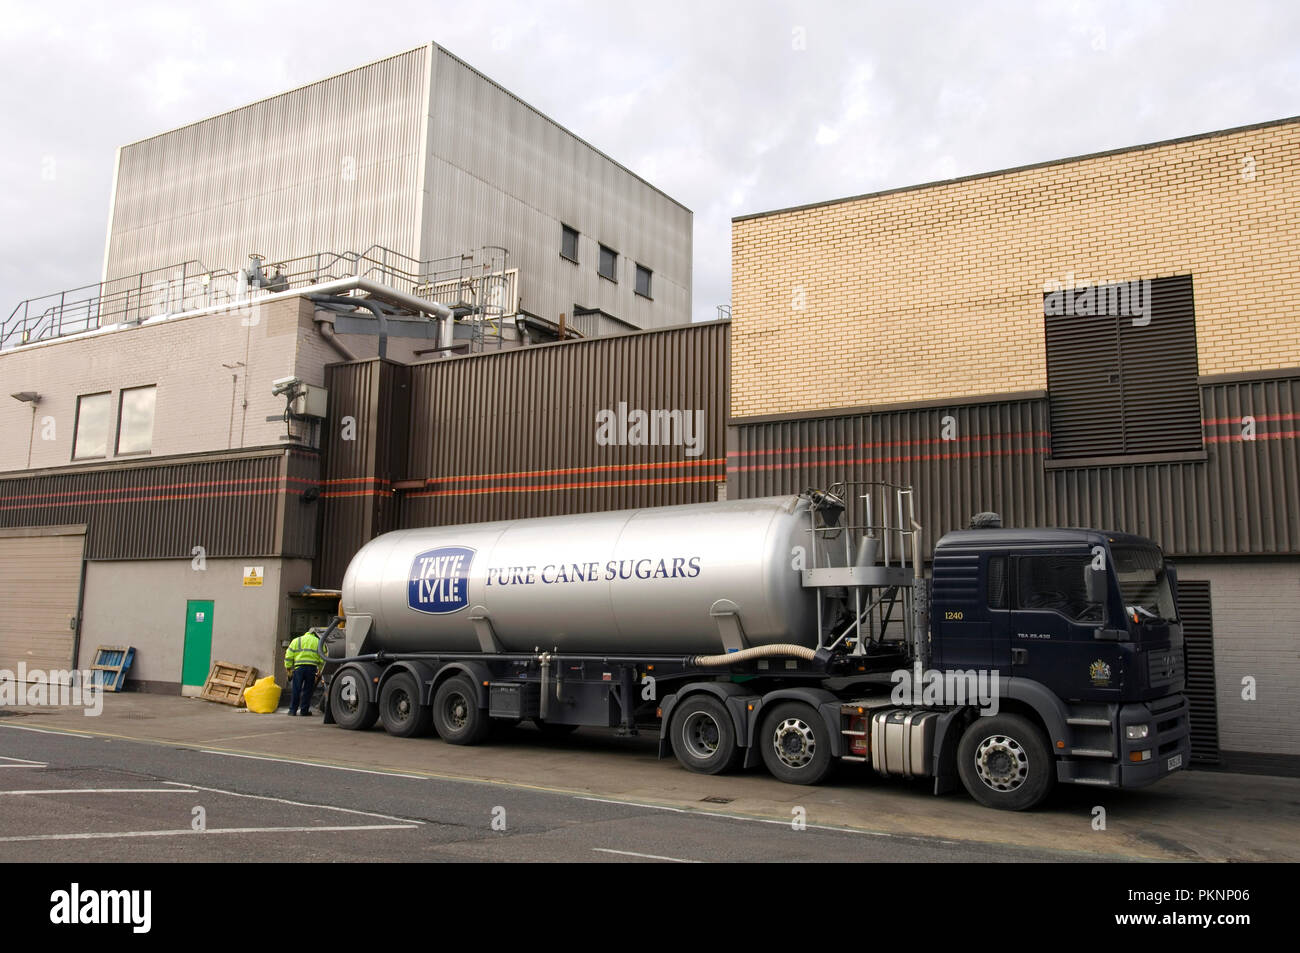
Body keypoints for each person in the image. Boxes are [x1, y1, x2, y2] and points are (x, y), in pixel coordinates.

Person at [284, 628, 326, 716]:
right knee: (308, 690)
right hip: (311, 669)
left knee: (296, 689)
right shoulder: (318, 642)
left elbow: (288, 655)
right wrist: (320, 670)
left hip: (298, 668)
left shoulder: (296, 640)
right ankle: (304, 711)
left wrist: (288, 668)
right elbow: (323, 657)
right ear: (315, 634)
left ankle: (292, 711)